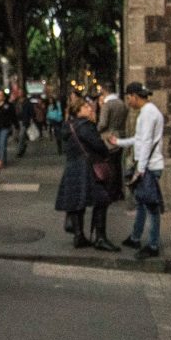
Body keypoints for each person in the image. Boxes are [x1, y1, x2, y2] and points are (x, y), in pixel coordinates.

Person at [54, 95, 119, 251]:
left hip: (72, 167)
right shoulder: (85, 126)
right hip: (87, 168)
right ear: (78, 111)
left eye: (89, 106)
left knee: (78, 202)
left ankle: (79, 236)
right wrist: (105, 152)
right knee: (102, 199)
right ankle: (100, 238)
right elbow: (99, 146)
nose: (90, 108)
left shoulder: (69, 126)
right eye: (85, 107)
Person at [110, 81, 165, 259]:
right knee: (142, 203)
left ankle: (153, 245)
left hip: (149, 167)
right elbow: (139, 139)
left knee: (151, 207)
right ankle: (135, 237)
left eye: (128, 98)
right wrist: (119, 142)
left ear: (134, 96)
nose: (128, 101)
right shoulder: (148, 111)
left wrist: (140, 170)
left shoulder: (148, 113)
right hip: (148, 166)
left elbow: (146, 141)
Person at [96, 81, 128, 202]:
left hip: (109, 137)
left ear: (105, 90)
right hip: (121, 135)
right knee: (117, 165)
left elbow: (103, 123)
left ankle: (112, 191)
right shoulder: (121, 103)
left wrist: (96, 130)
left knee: (110, 166)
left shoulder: (107, 105)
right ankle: (119, 190)